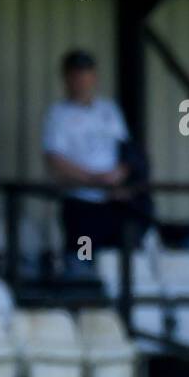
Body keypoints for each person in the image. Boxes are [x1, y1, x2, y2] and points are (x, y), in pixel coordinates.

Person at [42, 49, 151, 254]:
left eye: (85, 74)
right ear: (66, 78)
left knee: (117, 259)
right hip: (81, 202)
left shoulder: (108, 110)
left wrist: (119, 175)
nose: (81, 80)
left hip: (113, 201)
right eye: (75, 75)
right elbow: (54, 157)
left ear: (94, 77)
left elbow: (125, 148)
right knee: (85, 257)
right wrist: (93, 178)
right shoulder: (58, 114)